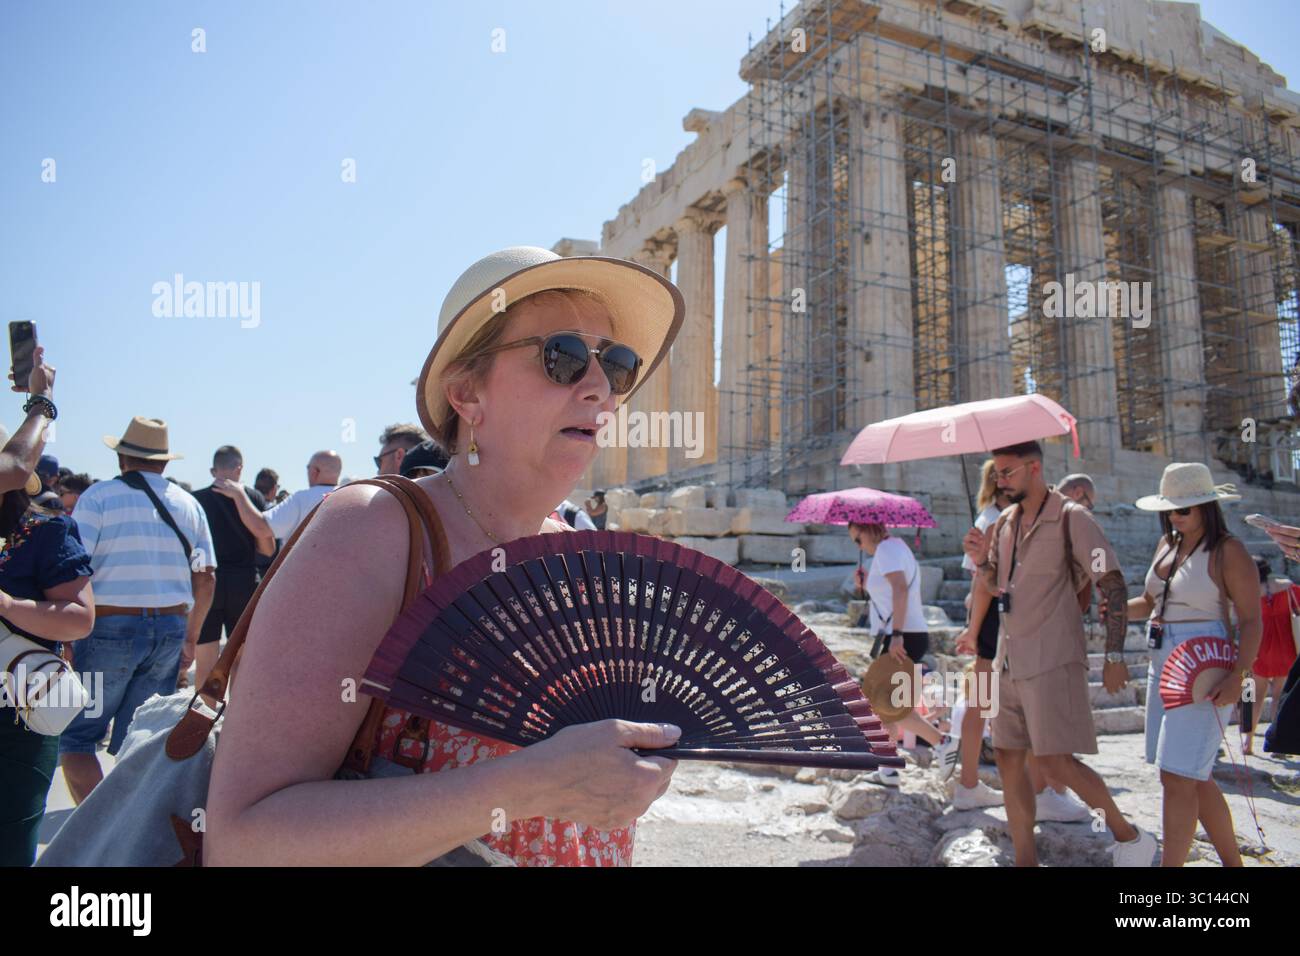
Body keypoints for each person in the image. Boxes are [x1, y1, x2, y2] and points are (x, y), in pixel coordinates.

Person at [204, 244, 684, 866]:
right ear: (466, 394)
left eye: (616, 366)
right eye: (563, 357)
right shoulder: (375, 531)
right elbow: (242, 843)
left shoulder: (580, 563)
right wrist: (527, 785)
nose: (600, 389)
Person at [964, 440, 1155, 866]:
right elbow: (998, 585)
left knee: (1056, 765)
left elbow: (1114, 584)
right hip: (1008, 661)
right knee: (1010, 764)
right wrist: (980, 560)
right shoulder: (1006, 522)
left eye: (1008, 472)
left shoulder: (1073, 518)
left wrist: (1114, 655)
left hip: (1051, 658)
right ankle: (1025, 860)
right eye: (996, 473)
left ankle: (1127, 835)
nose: (999, 480)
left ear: (1034, 469)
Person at [60, 417, 218, 803]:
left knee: (77, 738)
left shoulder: (98, 497)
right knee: (139, 739)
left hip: (107, 631)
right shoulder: (188, 504)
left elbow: (74, 565)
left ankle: (100, 830)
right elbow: (207, 576)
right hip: (168, 629)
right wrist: (191, 637)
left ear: (122, 459)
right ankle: (126, 831)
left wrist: (65, 635)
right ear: (164, 463)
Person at [1124, 463, 1260, 866]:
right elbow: (1149, 604)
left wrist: (1240, 675)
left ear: (1206, 506)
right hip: (1163, 660)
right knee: (1192, 775)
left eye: (1183, 509)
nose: (1174, 516)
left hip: (1204, 662)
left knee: (1178, 775)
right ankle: (1233, 864)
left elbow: (1252, 619)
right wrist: (1114, 606)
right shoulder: (1167, 543)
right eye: (1169, 509)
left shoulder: (1228, 550)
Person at [0, 466, 96, 866]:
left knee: (10, 839)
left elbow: (80, 618)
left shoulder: (43, 531)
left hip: (17, 709)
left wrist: (6, 605)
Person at [849, 520, 958, 786]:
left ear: (867, 530)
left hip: (901, 636)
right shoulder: (896, 548)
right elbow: (891, 593)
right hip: (905, 634)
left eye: (857, 539)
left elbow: (900, 589)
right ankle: (887, 769)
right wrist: (865, 585)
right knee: (884, 706)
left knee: (889, 705)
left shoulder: (887, 551)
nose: (858, 545)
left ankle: (941, 742)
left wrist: (896, 635)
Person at [193, 446, 275, 691]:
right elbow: (268, 549)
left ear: (213, 470)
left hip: (207, 583)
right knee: (240, 659)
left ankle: (201, 722)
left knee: (205, 660)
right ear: (240, 468)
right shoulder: (253, 498)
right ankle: (233, 724)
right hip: (244, 583)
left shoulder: (197, 499)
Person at [952, 459, 1007, 809]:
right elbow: (982, 583)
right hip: (996, 622)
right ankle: (970, 783)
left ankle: (969, 784)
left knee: (982, 704)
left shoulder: (987, 517)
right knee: (984, 705)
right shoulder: (996, 520)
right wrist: (973, 631)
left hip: (989, 622)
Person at [1245, 555, 1299, 754]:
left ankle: (1247, 742)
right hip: (1285, 648)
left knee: (1250, 697)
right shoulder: (1287, 587)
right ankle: (1277, 742)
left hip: (1256, 649)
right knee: (1279, 696)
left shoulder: (1246, 592)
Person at [230, 451, 342, 543]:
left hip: (305, 569)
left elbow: (262, 528)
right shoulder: (349, 498)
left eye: (308, 468)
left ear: (314, 472)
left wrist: (239, 494)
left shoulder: (302, 499)